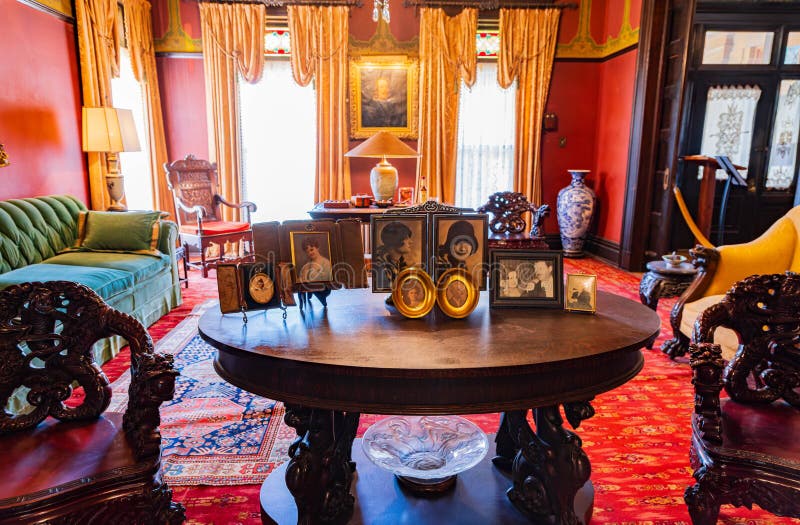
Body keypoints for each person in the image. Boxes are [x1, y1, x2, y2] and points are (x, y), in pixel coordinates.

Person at [373, 221, 416, 289]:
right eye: (406, 238)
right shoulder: (381, 267)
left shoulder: (398, 264)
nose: (411, 242)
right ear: (396, 239)